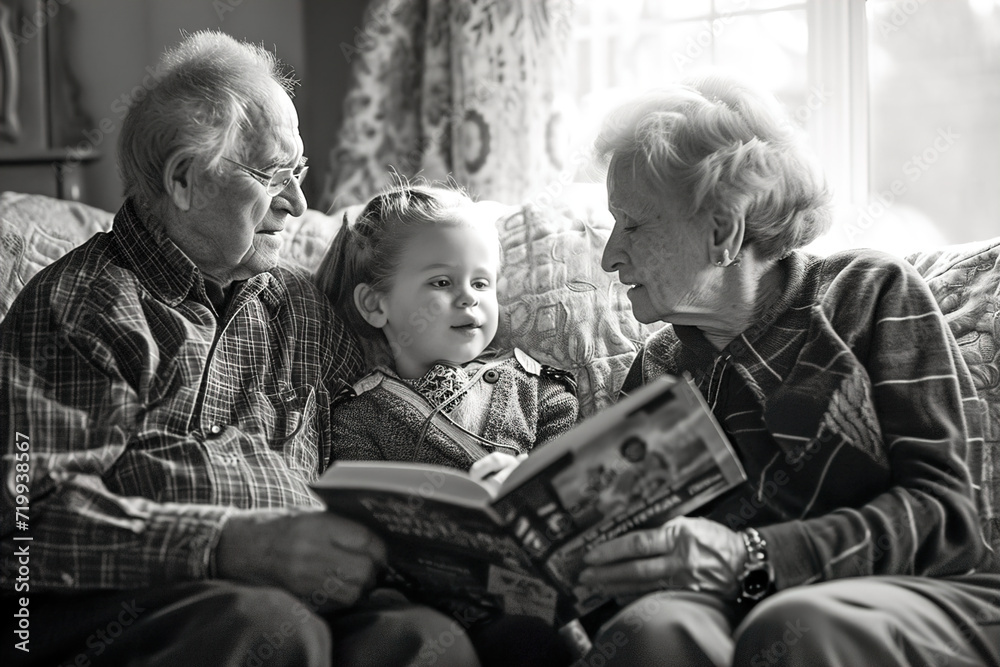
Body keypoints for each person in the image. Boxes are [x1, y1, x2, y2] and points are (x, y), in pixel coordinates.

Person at [1, 31, 481, 667]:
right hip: (134, 602)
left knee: (419, 640)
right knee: (272, 629)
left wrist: (484, 467)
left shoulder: (300, 305)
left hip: (305, 590)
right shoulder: (80, 308)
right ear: (185, 180)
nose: (299, 204)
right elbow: (26, 527)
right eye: (272, 176)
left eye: (299, 173)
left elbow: (398, 393)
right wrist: (227, 545)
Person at [575, 72, 1000, 666]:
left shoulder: (868, 294)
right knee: (650, 628)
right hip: (736, 603)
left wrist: (753, 554)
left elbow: (948, 517)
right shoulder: (659, 367)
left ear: (722, 229)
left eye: (635, 224)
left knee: (791, 623)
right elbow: (645, 550)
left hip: (926, 593)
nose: (609, 255)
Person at [315, 184, 579, 481]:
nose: (469, 297)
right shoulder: (357, 419)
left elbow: (570, 485)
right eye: (441, 282)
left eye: (481, 283)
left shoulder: (539, 392)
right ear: (375, 305)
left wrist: (527, 481)